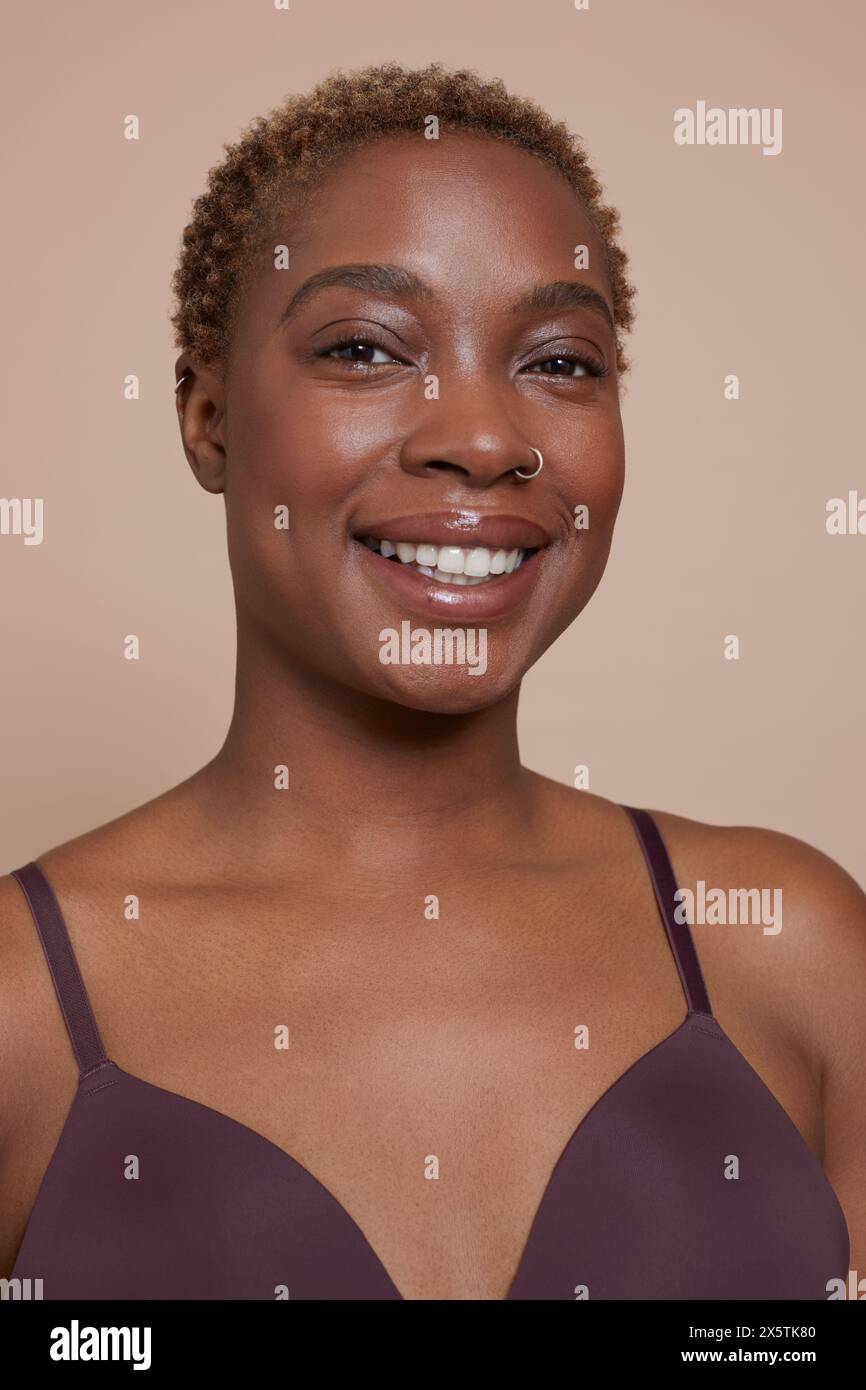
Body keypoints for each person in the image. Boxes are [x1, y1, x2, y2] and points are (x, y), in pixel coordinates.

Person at [1, 62, 863, 1301]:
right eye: (364, 347)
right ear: (208, 416)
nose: (480, 436)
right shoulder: (21, 1004)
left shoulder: (787, 950)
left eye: (560, 362)